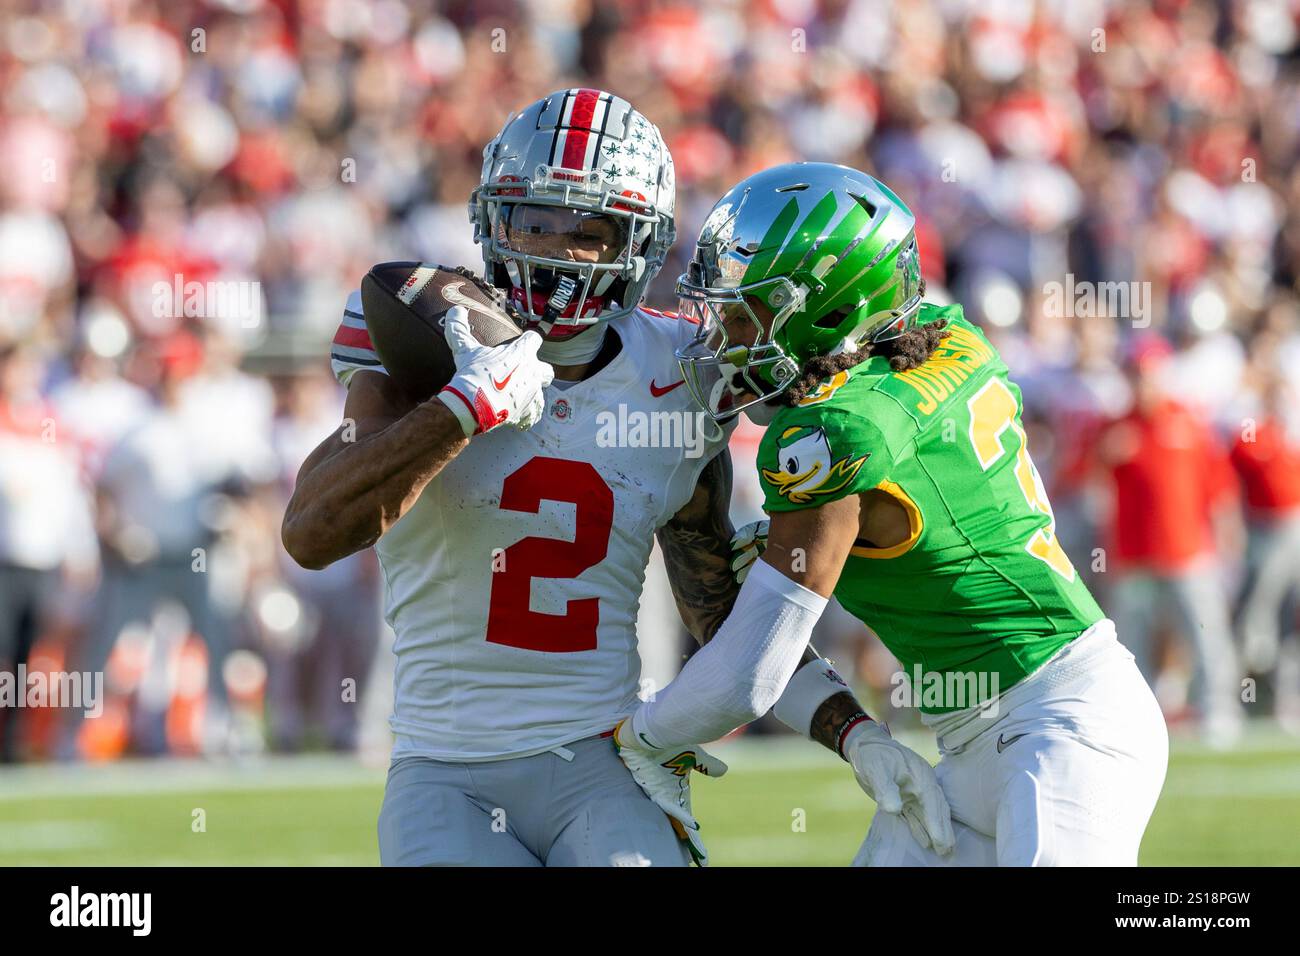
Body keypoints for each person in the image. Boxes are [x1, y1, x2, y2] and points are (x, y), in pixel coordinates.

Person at [282, 92, 945, 866]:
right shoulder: (429, 342)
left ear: (642, 244)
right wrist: (463, 407)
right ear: (493, 220)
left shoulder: (684, 372)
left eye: (589, 232)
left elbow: (721, 605)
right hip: (444, 772)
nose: (557, 252)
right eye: (534, 220)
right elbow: (311, 532)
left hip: (601, 763)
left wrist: (854, 733)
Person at [613, 161, 1168, 866]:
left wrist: (640, 738)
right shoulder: (941, 332)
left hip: (1062, 724)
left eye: (743, 307)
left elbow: (749, 674)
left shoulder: (835, 435)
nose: (721, 329)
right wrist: (860, 736)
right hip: (976, 741)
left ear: (828, 312)